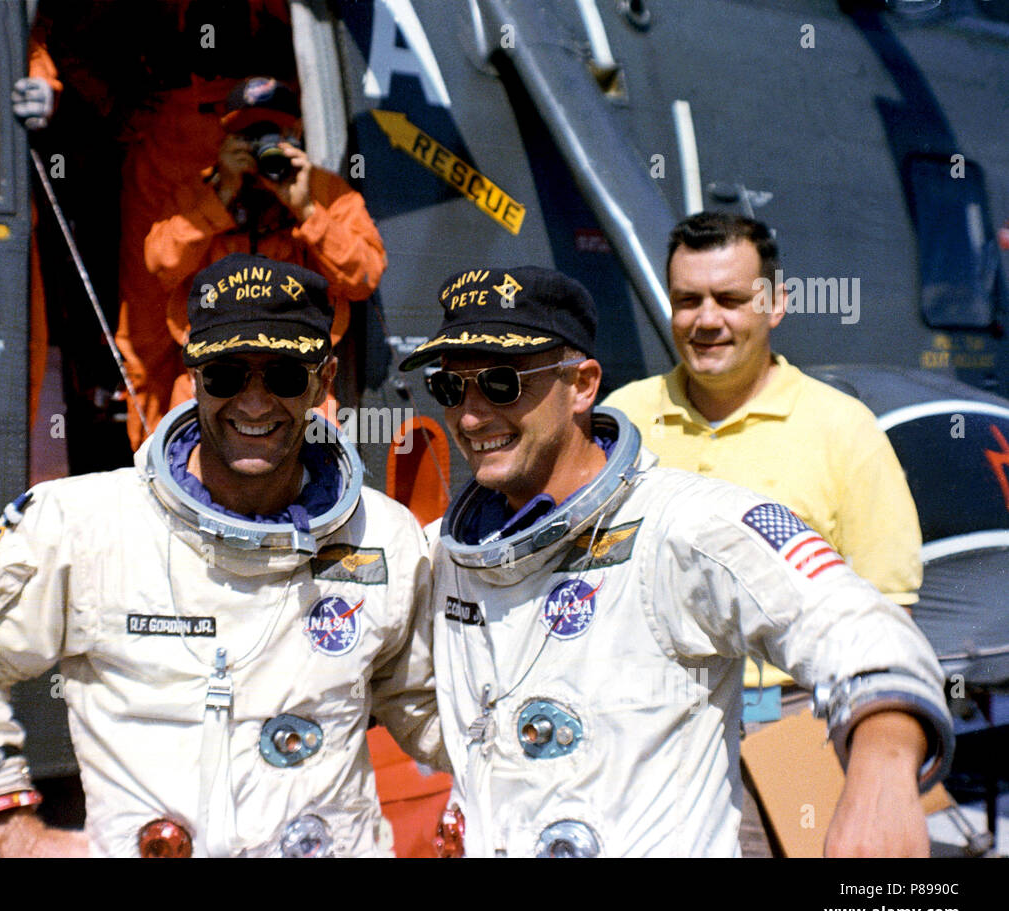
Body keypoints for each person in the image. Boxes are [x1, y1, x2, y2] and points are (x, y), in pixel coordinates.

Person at [400, 265, 953, 857]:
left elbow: (859, 627)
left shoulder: (686, 524)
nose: (471, 415)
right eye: (451, 389)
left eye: (502, 383)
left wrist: (882, 773)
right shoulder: (442, 554)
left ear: (583, 385)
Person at [0, 255, 445, 857]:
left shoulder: (384, 538)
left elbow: (426, 708)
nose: (255, 401)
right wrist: (14, 827)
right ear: (191, 374)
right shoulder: (81, 524)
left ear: (324, 380)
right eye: (226, 375)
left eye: (285, 375)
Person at [600, 212, 925, 853]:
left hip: (791, 725)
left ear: (774, 304)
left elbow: (890, 609)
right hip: (649, 734)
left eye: (730, 298)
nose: (707, 319)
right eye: (688, 300)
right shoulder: (623, 423)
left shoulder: (843, 430)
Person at [135, 76, 386, 441]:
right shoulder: (198, 191)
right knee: (182, 476)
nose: (262, 147)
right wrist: (221, 196)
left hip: (298, 377)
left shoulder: (328, 192)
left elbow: (364, 277)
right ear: (227, 139)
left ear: (296, 132)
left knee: (317, 480)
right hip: (209, 374)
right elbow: (161, 264)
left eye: (274, 133)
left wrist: (306, 210)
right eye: (249, 135)